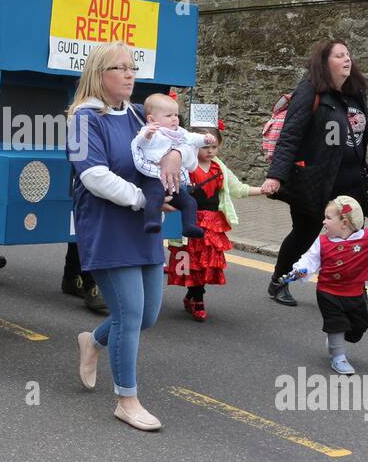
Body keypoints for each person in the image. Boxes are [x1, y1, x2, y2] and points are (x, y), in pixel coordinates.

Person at [69, 42, 181, 432]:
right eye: (120, 68)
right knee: (129, 315)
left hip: (142, 226)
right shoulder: (82, 120)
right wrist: (144, 200)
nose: (130, 74)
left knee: (146, 316)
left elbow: (173, 143)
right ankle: (126, 400)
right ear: (99, 75)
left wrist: (173, 156)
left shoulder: (136, 114)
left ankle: (93, 342)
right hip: (107, 227)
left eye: (132, 67)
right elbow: (93, 176)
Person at [261, 38, 368, 326]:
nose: (347, 59)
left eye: (348, 54)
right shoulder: (310, 91)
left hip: (351, 182)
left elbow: (354, 135)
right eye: (339, 55)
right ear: (324, 62)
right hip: (316, 181)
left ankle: (358, 301)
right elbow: (291, 135)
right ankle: (279, 279)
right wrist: (276, 176)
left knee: (354, 240)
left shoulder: (355, 93)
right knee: (305, 234)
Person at [289, 196, 368, 375]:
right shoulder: (322, 242)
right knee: (336, 324)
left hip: (355, 294)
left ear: (344, 223)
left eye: (328, 218)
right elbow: (309, 260)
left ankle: (336, 338)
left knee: (359, 327)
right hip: (327, 292)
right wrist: (299, 270)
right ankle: (338, 356)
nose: (323, 221)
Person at [165, 126, 263, 322]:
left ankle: (194, 296)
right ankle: (197, 299)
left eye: (214, 147)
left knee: (205, 264)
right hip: (187, 220)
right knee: (191, 262)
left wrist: (263, 190)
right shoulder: (183, 165)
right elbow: (167, 187)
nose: (210, 151)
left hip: (212, 223)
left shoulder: (219, 167)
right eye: (205, 147)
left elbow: (238, 189)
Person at [132, 92, 212, 237]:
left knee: (189, 202)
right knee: (155, 196)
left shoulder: (179, 132)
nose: (175, 119)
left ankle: (189, 226)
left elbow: (192, 138)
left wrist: (204, 139)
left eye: (176, 115)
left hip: (171, 182)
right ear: (152, 119)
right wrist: (147, 135)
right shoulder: (151, 131)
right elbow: (140, 143)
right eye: (168, 116)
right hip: (153, 178)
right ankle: (152, 221)